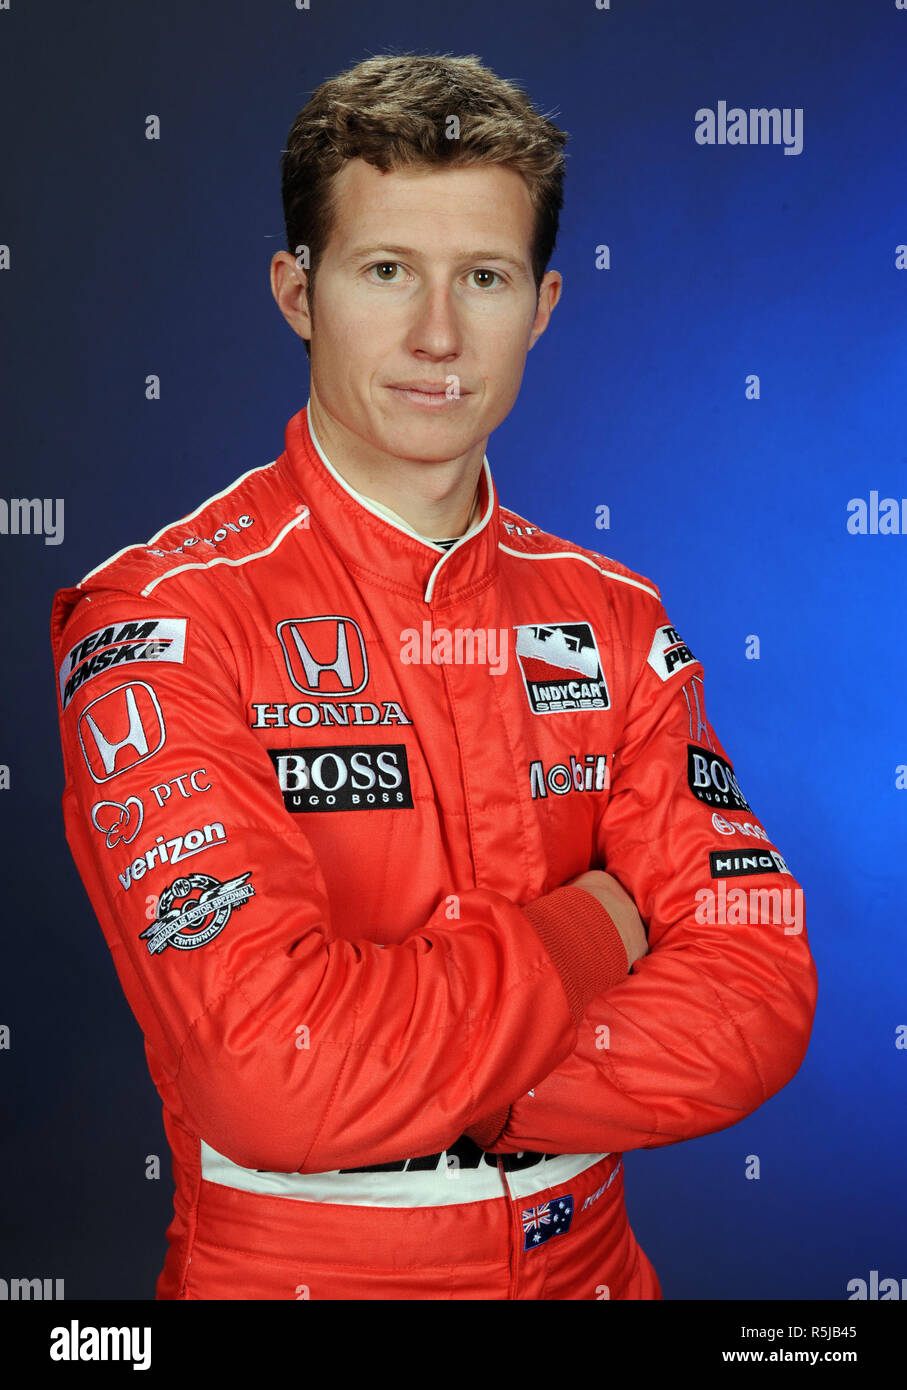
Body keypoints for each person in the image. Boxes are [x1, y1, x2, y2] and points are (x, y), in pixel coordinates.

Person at [50, 52, 817, 1301]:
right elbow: (272, 1074)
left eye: (485, 278)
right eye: (387, 270)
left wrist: (417, 1076)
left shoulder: (611, 617)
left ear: (545, 303)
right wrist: (597, 929)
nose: (439, 336)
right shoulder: (164, 618)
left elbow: (760, 980)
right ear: (297, 292)